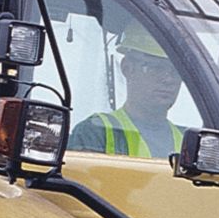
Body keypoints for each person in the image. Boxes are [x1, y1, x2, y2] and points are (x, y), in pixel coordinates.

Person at [69, 21, 184, 157]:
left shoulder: (190, 143)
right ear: (127, 68)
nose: (169, 79)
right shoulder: (96, 133)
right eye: (157, 68)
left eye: (176, 72)